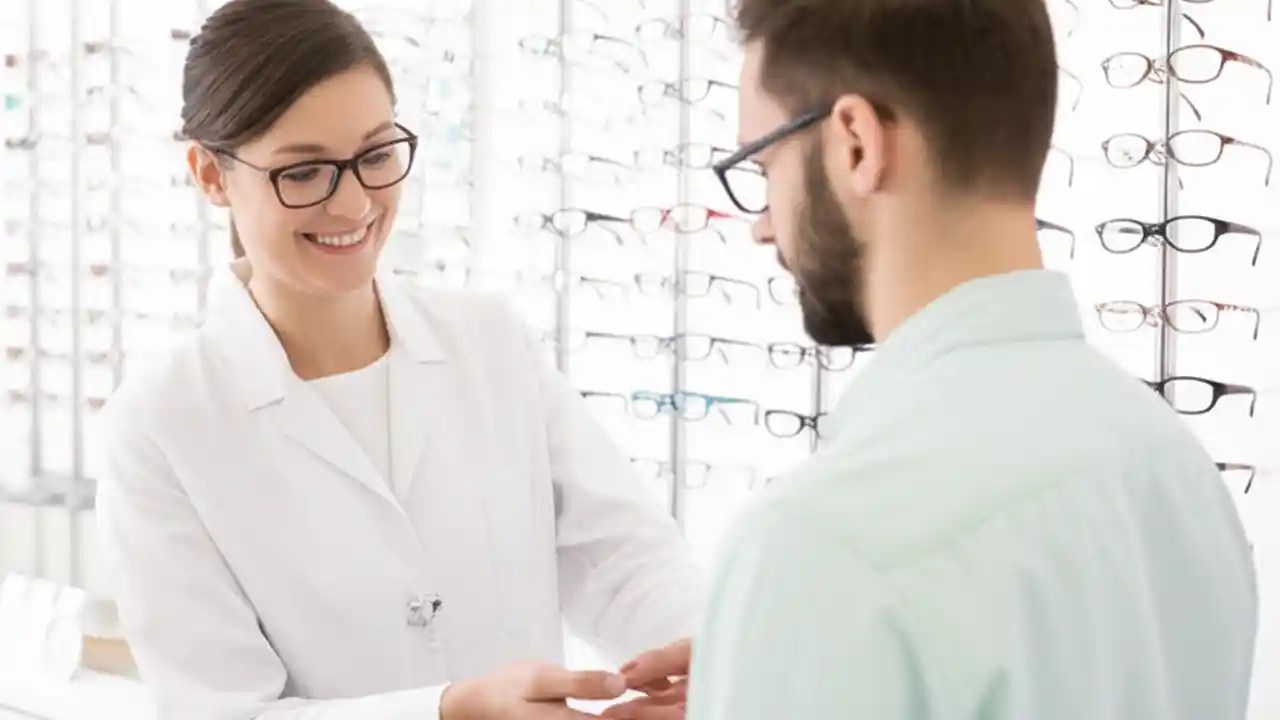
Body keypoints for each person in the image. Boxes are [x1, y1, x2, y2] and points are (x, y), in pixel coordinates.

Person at [607, 1, 1259, 719]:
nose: (762, 227)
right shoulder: (1173, 468)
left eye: (764, 168)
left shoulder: (821, 541)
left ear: (856, 143)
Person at [95, 1, 702, 717]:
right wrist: (447, 711)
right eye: (304, 172)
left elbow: (624, 559)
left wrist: (708, 658)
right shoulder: (163, 420)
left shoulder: (489, 341)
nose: (353, 204)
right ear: (210, 174)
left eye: (377, 156)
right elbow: (221, 710)